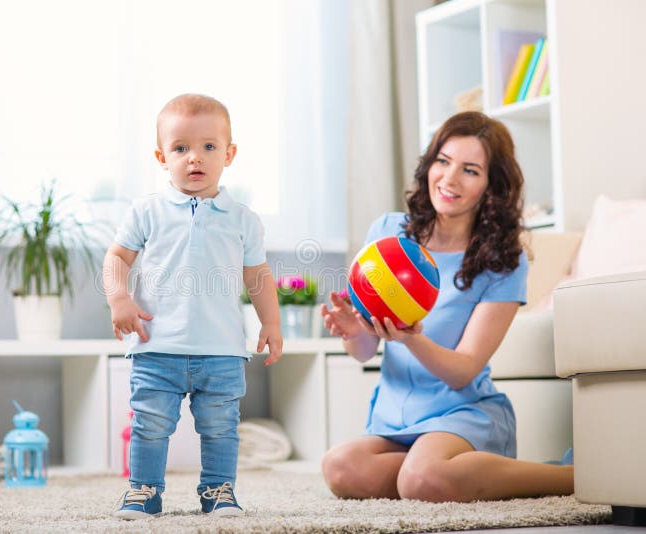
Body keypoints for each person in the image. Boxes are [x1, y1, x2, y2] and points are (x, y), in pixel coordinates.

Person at [320, 111, 573, 502]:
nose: (449, 179)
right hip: (397, 417)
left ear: (491, 186)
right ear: (429, 164)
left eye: (470, 170)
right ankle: (439, 473)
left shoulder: (502, 260)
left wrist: (410, 338)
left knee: (423, 480)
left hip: (461, 413)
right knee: (341, 468)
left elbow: (464, 370)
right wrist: (354, 332)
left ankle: (571, 476)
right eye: (443, 161)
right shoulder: (387, 234)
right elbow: (366, 350)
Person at [103, 94, 283, 519]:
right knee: (150, 425)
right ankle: (144, 490)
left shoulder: (242, 219)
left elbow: (257, 277)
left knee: (221, 427)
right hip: (156, 346)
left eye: (208, 147)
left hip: (221, 350)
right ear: (161, 157)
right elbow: (116, 258)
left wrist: (271, 323)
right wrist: (118, 297)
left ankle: (218, 491)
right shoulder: (146, 211)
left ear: (229, 153)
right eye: (180, 148)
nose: (194, 158)